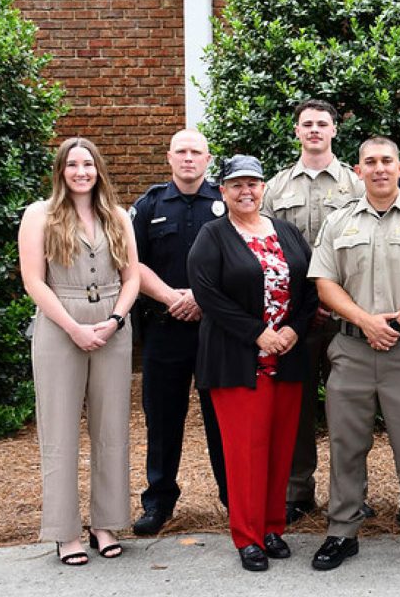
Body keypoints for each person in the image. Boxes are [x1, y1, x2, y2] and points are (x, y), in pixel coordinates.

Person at [308, 137, 400, 574]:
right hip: (351, 348)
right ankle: (342, 530)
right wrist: (365, 321)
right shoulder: (339, 222)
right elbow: (325, 282)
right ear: (358, 171)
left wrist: (396, 321)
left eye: (387, 160)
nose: (379, 168)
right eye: (369, 162)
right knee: (346, 445)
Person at [188, 155, 317, 572]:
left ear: (264, 189)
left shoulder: (287, 232)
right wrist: (257, 332)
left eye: (253, 184)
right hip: (237, 362)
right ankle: (247, 536)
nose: (246, 191)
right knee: (245, 453)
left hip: (287, 358)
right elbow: (207, 295)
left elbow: (311, 288)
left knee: (280, 450)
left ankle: (273, 528)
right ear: (223, 191)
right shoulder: (212, 236)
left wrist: (294, 329)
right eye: (237, 184)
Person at [18, 137, 140, 565]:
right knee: (59, 430)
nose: (81, 172)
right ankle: (64, 531)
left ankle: (106, 523)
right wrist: (73, 327)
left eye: (87, 164)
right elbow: (33, 281)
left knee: (112, 428)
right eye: (72, 164)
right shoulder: (39, 215)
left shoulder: (118, 216)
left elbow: (132, 277)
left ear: (98, 169)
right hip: (59, 323)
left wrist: (115, 319)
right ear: (61, 171)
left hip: (112, 324)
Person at [261, 98, 364, 524]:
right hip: (295, 319)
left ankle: (350, 493)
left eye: (323, 123)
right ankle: (298, 490)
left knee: (349, 410)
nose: (315, 130)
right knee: (297, 409)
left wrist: (334, 300)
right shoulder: (276, 188)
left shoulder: (356, 185)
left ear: (335, 130)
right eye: (308, 124)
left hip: (345, 316)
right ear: (297, 131)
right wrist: (302, 307)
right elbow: (264, 251)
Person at [131, 129, 228, 536]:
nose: (189, 158)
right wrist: (172, 297)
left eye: (196, 152)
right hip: (165, 328)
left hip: (216, 331)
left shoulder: (225, 202)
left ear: (208, 160)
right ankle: (158, 502)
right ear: (169, 157)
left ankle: (235, 499)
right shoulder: (149, 205)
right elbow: (132, 264)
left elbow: (241, 260)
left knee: (222, 419)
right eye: (181, 152)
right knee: (162, 418)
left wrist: (203, 298)